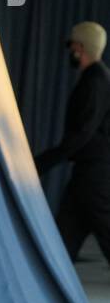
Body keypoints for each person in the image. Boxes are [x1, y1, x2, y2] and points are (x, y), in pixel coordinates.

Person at [34, 20, 110, 263]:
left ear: (81, 47)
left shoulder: (95, 82)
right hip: (88, 173)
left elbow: (83, 132)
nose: (70, 52)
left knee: (98, 224)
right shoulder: (96, 79)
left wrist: (42, 163)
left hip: (95, 174)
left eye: (73, 46)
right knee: (64, 239)